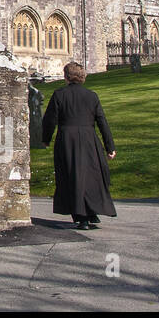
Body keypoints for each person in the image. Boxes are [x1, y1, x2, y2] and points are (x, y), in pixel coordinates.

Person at [41, 61, 116, 229]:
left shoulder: (59, 94)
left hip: (67, 138)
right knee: (91, 176)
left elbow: (50, 120)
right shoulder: (92, 95)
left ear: (66, 77)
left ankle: (82, 216)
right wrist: (110, 146)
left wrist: (45, 139)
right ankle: (91, 212)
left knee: (72, 175)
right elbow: (102, 122)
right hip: (89, 138)